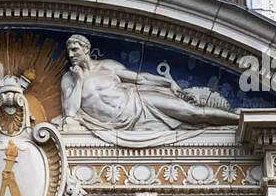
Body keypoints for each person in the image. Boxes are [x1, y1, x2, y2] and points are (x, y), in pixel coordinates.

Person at [58, 34, 237, 142]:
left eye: (75, 49)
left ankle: (238, 118)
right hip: (118, 124)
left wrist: (168, 83)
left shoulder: (107, 66)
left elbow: (140, 78)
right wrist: (79, 80)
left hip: (139, 102)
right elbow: (70, 112)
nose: (71, 55)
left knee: (192, 113)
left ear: (86, 49)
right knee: (191, 119)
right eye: (70, 52)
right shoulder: (70, 79)